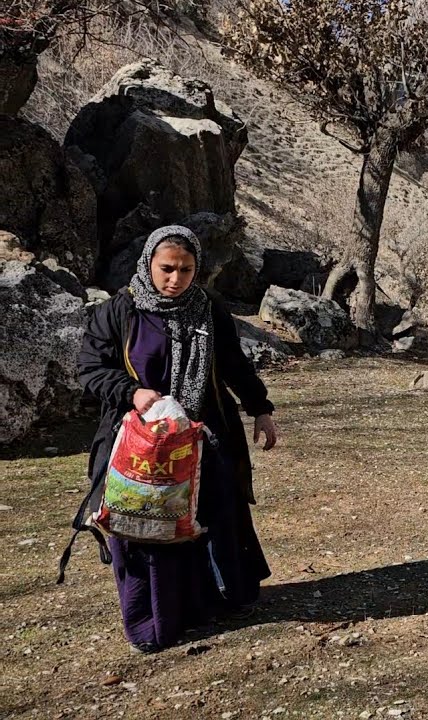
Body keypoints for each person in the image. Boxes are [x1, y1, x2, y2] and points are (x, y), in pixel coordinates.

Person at [76, 225, 279, 652]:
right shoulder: (119, 312)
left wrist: (261, 409)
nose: (176, 278)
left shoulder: (208, 310)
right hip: (135, 443)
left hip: (203, 437)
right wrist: (132, 392)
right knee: (142, 525)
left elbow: (235, 367)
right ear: (148, 264)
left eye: (186, 270)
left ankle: (214, 602)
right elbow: (90, 369)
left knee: (211, 516)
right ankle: (153, 620)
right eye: (167, 268)